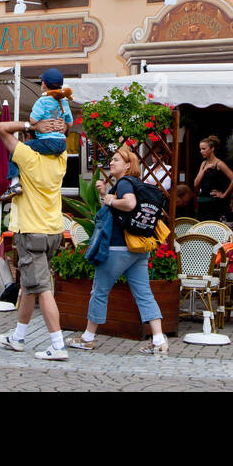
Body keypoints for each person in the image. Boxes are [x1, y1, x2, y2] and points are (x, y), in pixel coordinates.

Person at [66, 147, 168, 354]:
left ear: (128, 165)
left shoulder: (123, 183)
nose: (111, 163)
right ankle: (158, 340)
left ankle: (87, 337)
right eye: (111, 160)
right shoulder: (133, 184)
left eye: (115, 160)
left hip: (119, 247)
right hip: (138, 248)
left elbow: (129, 204)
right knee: (143, 293)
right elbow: (118, 210)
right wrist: (106, 194)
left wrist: (110, 199)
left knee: (100, 291)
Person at [0, 114, 69, 360]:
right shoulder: (61, 158)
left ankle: (58, 345)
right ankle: (18, 336)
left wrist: (31, 124)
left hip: (31, 230)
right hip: (53, 230)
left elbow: (2, 128)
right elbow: (62, 137)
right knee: (29, 284)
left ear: (32, 138)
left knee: (42, 287)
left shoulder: (27, 156)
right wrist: (59, 126)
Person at [6, 68, 73, 198]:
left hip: (47, 142)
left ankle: (14, 183)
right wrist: (62, 124)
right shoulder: (64, 101)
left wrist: (37, 124)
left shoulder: (42, 101)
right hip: (62, 144)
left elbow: (33, 120)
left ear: (43, 84)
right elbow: (70, 123)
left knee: (16, 151)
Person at [192, 135, 233, 222]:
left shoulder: (219, 164)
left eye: (204, 149)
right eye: (200, 149)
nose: (201, 151)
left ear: (212, 149)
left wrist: (224, 195)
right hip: (202, 203)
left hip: (213, 204)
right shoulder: (203, 164)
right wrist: (205, 170)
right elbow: (196, 183)